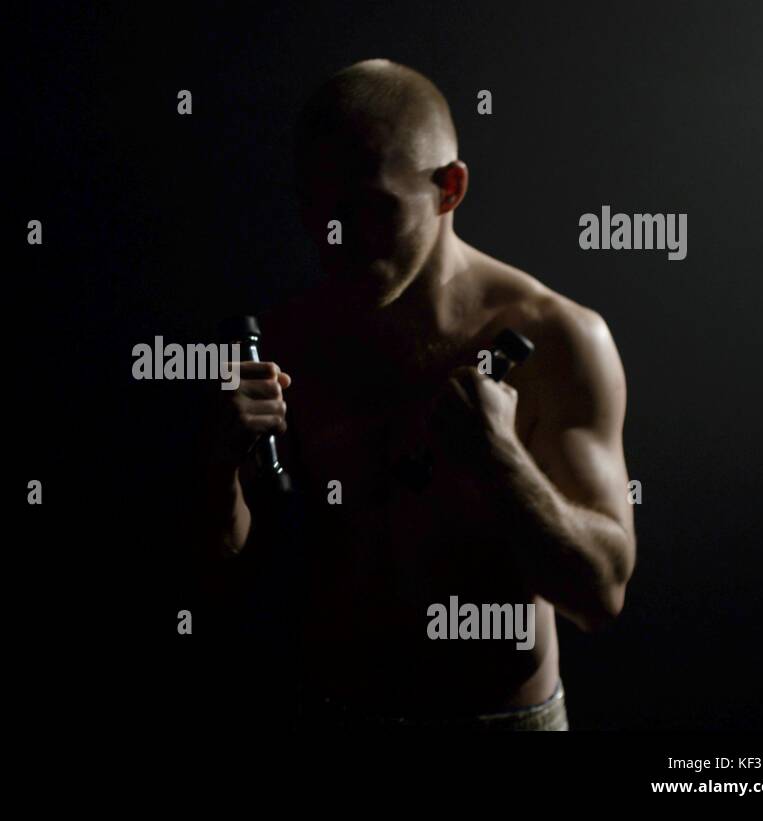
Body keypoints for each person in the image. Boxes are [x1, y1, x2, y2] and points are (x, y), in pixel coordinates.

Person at [202, 59, 637, 730]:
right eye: (321, 211)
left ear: (449, 188)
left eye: (371, 209)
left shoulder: (558, 339)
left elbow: (600, 594)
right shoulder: (291, 336)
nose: (339, 242)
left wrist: (499, 457)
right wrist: (216, 464)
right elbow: (226, 564)